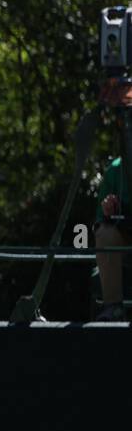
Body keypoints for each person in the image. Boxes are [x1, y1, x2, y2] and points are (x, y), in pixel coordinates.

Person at [95, 77, 132, 320]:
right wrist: (108, 210)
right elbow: (100, 221)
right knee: (105, 233)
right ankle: (113, 306)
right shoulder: (115, 170)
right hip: (127, 236)